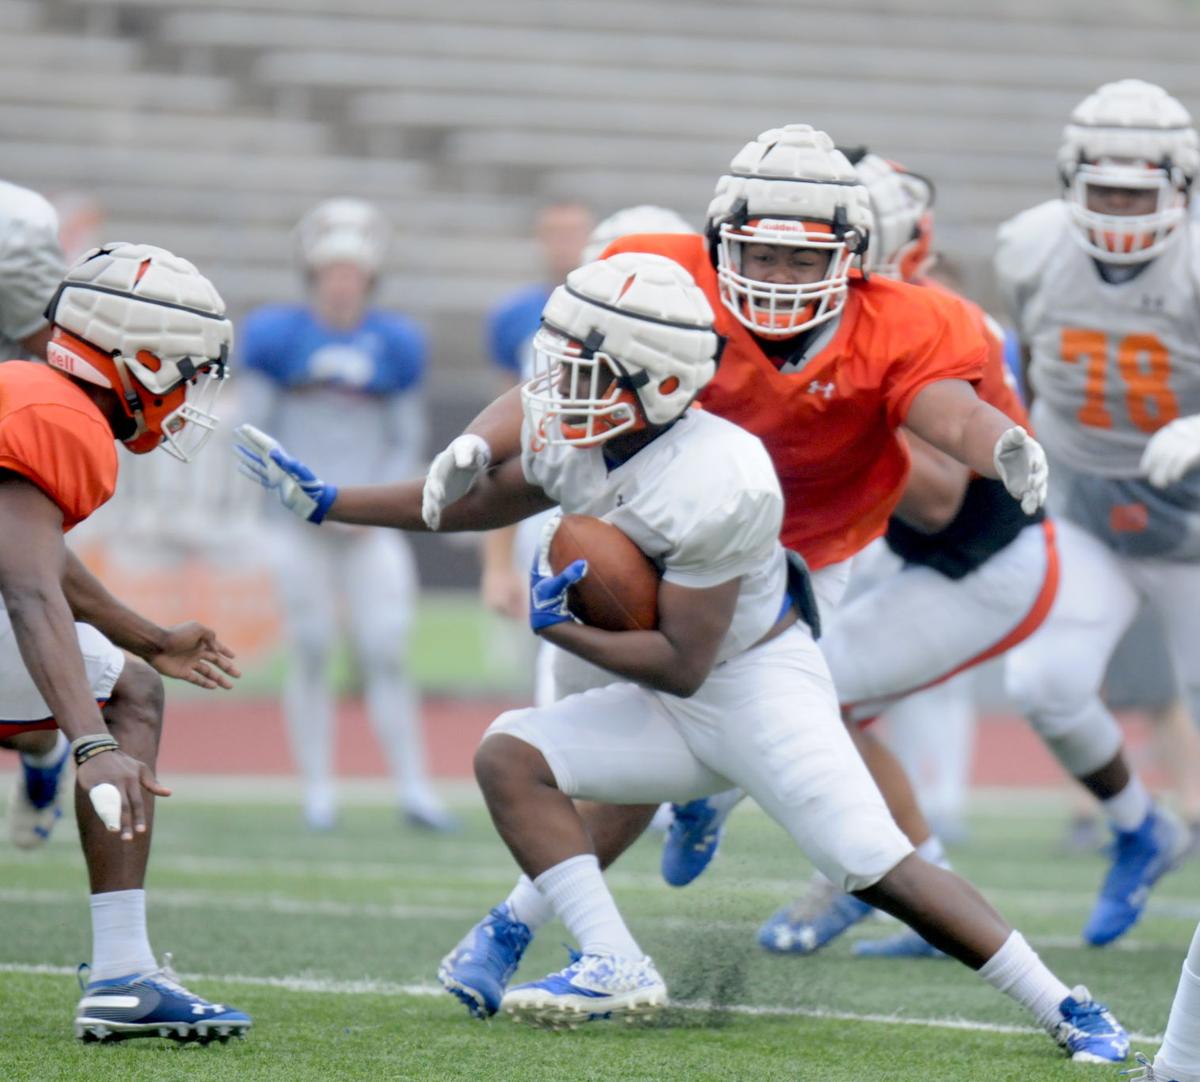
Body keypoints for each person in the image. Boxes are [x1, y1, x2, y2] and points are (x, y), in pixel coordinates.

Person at [236, 250, 1127, 1062]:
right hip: (674, 683)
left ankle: (1066, 1006)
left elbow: (683, 664)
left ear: (659, 382)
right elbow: (486, 500)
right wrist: (330, 501)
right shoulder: (588, 423)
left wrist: (563, 629)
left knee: (880, 867)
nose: (556, 383)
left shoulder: (723, 476)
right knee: (511, 753)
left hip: (752, 686)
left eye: (582, 367)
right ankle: (612, 960)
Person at [414, 124, 1054, 1014]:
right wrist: (470, 448)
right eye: (763, 251)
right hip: (663, 539)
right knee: (605, 737)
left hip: (809, 557)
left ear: (862, 254)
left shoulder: (908, 322)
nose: (782, 276)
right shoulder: (674, 288)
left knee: (718, 727)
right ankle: (564, 909)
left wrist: (997, 440)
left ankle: (521, 924)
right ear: (720, 239)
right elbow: (562, 387)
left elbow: (945, 418)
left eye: (806, 257)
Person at [0, 241, 250, 1041]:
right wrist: (88, 743)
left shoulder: (33, 393)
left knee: (134, 678)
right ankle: (122, 974)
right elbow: (29, 587)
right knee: (121, 698)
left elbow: (29, 553)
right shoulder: (56, 414)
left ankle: (123, 972)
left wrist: (144, 635)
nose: (185, 397)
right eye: (184, 371)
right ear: (138, 361)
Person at [996, 78, 1200, 947]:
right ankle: (1139, 826)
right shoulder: (1031, 247)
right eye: (1105, 190)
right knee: (1041, 682)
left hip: (1193, 522)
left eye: (1137, 194)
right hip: (1085, 501)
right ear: (1070, 179)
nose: (1119, 208)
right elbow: (1036, 365)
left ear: (1180, 186)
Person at [237, 198, 451, 832]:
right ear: (312, 273)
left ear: (370, 277)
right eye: (332, 269)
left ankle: (414, 788)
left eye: (352, 271)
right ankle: (318, 791)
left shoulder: (396, 341)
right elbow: (257, 432)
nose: (341, 282)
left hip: (368, 520)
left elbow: (405, 437)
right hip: (299, 522)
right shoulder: (278, 335)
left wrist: (370, 504)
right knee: (309, 647)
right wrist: (299, 500)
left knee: (385, 647)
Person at [480, 203, 692, 709]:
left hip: (666, 517)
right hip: (570, 508)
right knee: (559, 699)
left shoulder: (706, 355)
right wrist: (497, 561)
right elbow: (523, 448)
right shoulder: (555, 333)